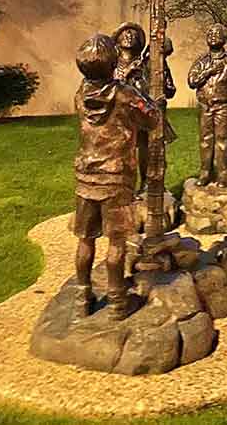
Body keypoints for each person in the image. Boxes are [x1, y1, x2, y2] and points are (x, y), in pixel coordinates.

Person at [72, 33, 160, 322]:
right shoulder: (125, 95)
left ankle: (82, 296)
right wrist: (132, 86)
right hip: (116, 178)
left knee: (85, 240)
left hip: (86, 176)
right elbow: (152, 118)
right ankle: (116, 300)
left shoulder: (80, 94)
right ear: (113, 64)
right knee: (116, 241)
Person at [112, 22, 175, 192]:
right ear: (117, 41)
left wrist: (160, 65)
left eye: (133, 33)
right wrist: (127, 74)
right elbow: (111, 89)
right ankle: (125, 187)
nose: (129, 35)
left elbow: (170, 90)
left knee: (149, 150)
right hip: (123, 115)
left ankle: (148, 184)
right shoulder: (112, 65)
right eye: (124, 33)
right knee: (125, 151)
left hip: (146, 113)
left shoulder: (149, 63)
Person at [187, 23, 227, 186]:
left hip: (222, 106)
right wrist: (208, 71)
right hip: (205, 106)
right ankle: (205, 172)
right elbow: (192, 81)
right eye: (210, 33)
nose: (213, 36)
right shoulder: (202, 61)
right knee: (205, 140)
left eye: (217, 34)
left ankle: (224, 174)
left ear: (224, 39)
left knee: (223, 140)